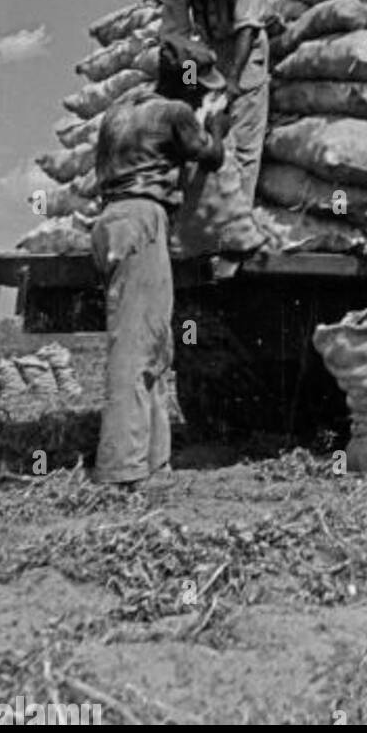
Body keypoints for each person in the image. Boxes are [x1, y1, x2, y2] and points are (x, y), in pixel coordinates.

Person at [90, 37, 228, 490]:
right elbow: (211, 154)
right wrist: (219, 124)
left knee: (152, 345)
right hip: (143, 221)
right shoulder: (175, 114)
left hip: (110, 220)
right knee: (135, 347)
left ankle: (152, 463)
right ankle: (122, 472)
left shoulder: (121, 109)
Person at [159, 0, 269, 206]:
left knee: (243, 142)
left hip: (245, 52)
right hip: (208, 52)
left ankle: (239, 216)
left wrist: (232, 82)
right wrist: (189, 82)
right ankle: (201, 211)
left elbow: (247, 27)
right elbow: (178, 38)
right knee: (199, 131)